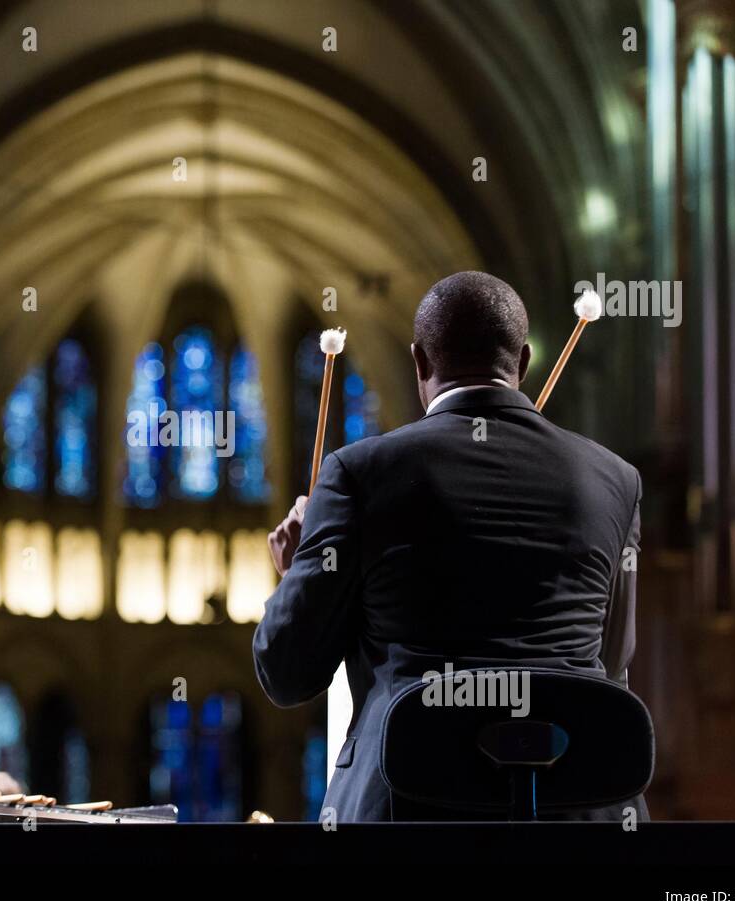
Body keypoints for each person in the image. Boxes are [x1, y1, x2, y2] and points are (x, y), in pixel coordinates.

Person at [254, 271, 644, 822]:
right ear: (525, 362)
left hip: (410, 814)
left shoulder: (358, 473)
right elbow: (608, 666)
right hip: (576, 812)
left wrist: (298, 576)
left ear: (419, 362)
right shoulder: (615, 481)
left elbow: (287, 673)